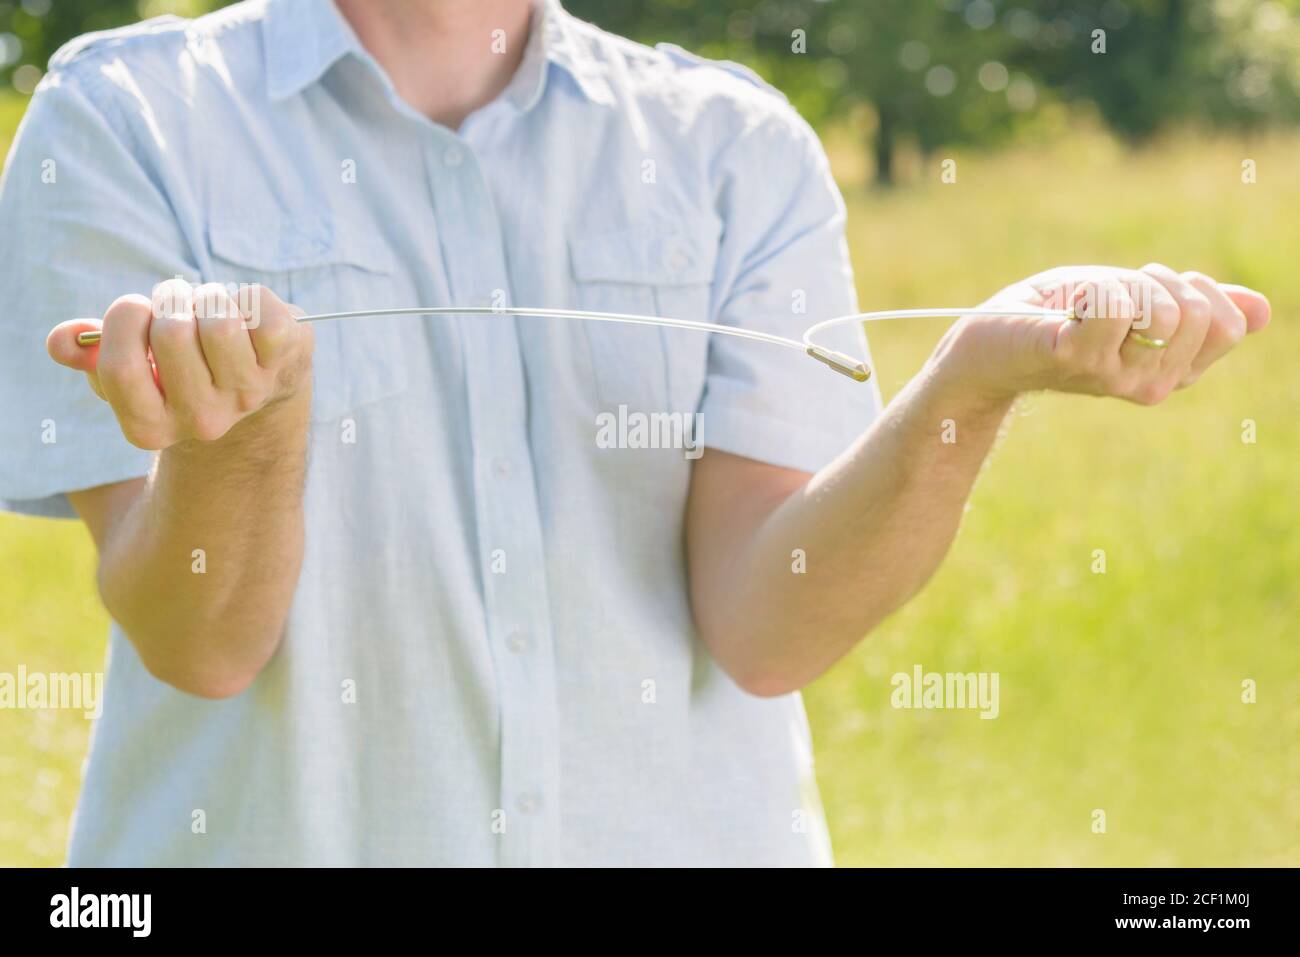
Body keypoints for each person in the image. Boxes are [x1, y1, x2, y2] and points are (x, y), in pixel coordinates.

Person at [0, 0, 1270, 866]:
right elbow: (198, 638)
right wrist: (249, 433)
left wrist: (965, 390)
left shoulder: (735, 147)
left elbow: (766, 625)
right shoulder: (123, 120)